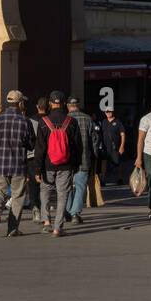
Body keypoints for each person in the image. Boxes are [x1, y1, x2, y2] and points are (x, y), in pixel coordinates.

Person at [0, 89, 32, 237]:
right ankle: (12, 228)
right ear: (20, 103)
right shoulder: (25, 121)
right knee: (17, 196)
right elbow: (30, 144)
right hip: (18, 166)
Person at [34, 90, 82, 237]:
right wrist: (75, 165)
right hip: (66, 165)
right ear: (63, 104)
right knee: (63, 196)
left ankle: (46, 221)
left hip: (48, 165)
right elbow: (77, 147)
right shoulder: (71, 122)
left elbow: (40, 149)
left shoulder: (44, 122)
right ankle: (58, 228)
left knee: (45, 192)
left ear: (50, 103)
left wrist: (37, 169)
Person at [65, 96, 95, 227]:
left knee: (66, 186)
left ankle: (67, 210)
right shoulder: (87, 119)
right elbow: (94, 140)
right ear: (78, 104)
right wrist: (94, 155)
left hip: (65, 159)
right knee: (80, 186)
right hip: (83, 159)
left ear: (68, 106)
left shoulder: (63, 119)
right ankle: (75, 213)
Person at [99, 107, 126, 184]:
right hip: (105, 146)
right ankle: (102, 180)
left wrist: (122, 146)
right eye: (106, 112)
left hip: (115, 147)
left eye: (109, 111)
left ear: (113, 112)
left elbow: (123, 134)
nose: (108, 113)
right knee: (104, 163)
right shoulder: (103, 122)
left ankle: (119, 179)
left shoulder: (118, 122)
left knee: (118, 163)